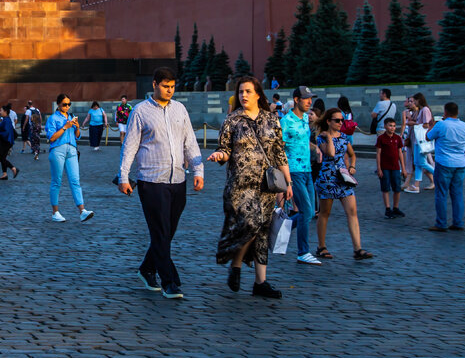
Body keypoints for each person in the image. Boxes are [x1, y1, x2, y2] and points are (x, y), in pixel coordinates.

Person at [118, 67, 204, 300]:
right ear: (155, 84)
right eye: (166, 86)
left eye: (173, 86)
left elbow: (190, 142)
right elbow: (130, 146)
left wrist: (198, 170)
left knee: (167, 232)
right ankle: (170, 281)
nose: (170, 90)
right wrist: (124, 176)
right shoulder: (140, 111)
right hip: (151, 180)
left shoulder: (180, 109)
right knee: (160, 231)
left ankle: (147, 269)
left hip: (178, 179)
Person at [206, 76, 292, 299]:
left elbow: (278, 152)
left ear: (258, 95)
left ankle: (260, 282)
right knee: (250, 224)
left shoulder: (271, 119)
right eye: (241, 91)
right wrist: (219, 155)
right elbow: (225, 148)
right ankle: (236, 265)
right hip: (239, 186)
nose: (243, 95)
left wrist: (287, 182)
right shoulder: (232, 120)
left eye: (248, 91)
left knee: (262, 231)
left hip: (266, 185)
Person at [314, 108, 372, 260]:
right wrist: (329, 138)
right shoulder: (321, 138)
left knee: (352, 212)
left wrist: (352, 166)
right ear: (328, 121)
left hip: (343, 178)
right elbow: (331, 154)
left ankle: (358, 249)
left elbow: (352, 155)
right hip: (327, 179)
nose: (341, 123)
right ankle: (321, 246)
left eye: (342, 120)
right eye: (337, 120)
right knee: (325, 213)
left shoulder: (344, 137)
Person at [280, 86, 322, 265]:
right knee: (305, 210)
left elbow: (304, 141)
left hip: (307, 170)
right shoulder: (286, 121)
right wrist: (286, 178)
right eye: (306, 98)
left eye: (310, 98)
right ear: (296, 100)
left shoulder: (305, 118)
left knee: (310, 211)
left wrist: (316, 148)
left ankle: (280, 231)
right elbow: (279, 148)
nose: (309, 102)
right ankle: (303, 252)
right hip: (293, 171)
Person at [44, 94, 92, 222]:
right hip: (57, 150)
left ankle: (82, 211)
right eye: (64, 104)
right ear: (58, 104)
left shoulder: (71, 117)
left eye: (69, 104)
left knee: (75, 180)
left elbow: (77, 136)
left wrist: (76, 127)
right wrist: (65, 127)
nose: (67, 106)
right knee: (56, 181)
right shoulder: (53, 118)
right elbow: (51, 137)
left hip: (72, 150)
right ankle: (55, 212)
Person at [425, 102, 465, 232]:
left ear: (445, 112)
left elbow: (428, 137)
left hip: (444, 162)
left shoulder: (441, 125)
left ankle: (441, 223)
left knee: (441, 194)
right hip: (460, 163)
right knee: (457, 194)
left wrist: (431, 125)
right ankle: (458, 222)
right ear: (457, 112)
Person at [403, 94, 436, 194]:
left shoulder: (425, 109)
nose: (413, 102)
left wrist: (413, 123)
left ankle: (439, 176)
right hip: (417, 140)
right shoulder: (421, 110)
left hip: (421, 140)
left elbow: (426, 125)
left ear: (419, 100)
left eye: (414, 100)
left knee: (421, 163)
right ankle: (416, 186)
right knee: (417, 163)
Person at [375, 117, 406, 218]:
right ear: (385, 126)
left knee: (397, 188)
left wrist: (403, 168)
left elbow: (400, 153)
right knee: (386, 188)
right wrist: (379, 168)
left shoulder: (397, 138)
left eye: (393, 126)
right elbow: (378, 154)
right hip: (385, 167)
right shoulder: (381, 138)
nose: (392, 128)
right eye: (390, 126)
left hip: (395, 167)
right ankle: (388, 209)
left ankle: (395, 208)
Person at [0, 104, 20, 180]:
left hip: (6, 141)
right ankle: (4, 174)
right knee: (2, 157)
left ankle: (13, 168)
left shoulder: (6, 120)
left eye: (1, 110)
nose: (0, 112)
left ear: (5, 111)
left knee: (1, 158)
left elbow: (6, 132)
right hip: (8, 141)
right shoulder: (6, 119)